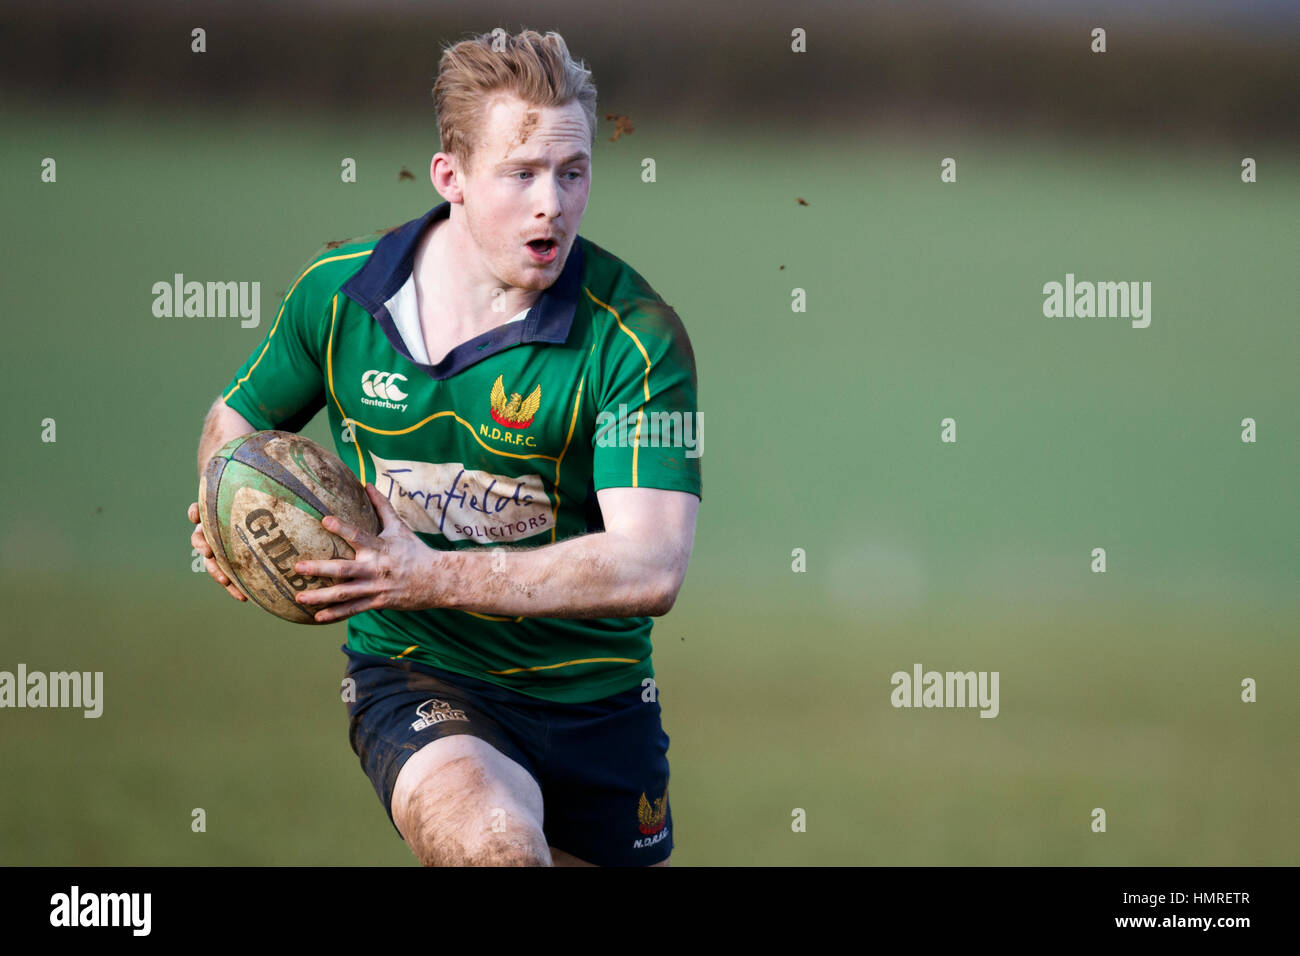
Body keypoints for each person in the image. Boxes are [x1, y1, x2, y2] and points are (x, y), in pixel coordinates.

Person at [186, 29, 701, 867]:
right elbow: (236, 421)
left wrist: (428, 573)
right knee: (495, 848)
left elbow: (652, 567)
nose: (554, 204)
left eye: (572, 173)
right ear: (450, 178)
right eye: (522, 173)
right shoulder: (343, 297)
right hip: (421, 676)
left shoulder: (635, 338)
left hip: (596, 701)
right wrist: (220, 501)